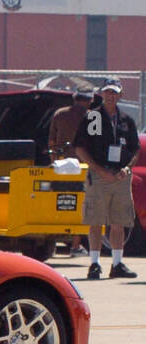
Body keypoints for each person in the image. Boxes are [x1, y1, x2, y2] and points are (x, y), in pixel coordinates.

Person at [74, 79, 139, 279]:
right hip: (99, 176)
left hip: (120, 176)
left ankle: (117, 264)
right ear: (102, 94)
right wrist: (98, 169)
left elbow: (135, 149)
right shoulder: (93, 117)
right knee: (96, 220)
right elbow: (80, 148)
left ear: (120, 95)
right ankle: (94, 264)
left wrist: (127, 169)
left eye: (115, 92)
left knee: (118, 222)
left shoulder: (126, 120)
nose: (111, 95)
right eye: (107, 92)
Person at [49, 88, 94, 257]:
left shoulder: (60, 114)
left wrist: (54, 161)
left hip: (61, 165)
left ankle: (51, 242)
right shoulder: (92, 116)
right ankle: (76, 246)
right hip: (82, 166)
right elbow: (95, 142)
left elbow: (51, 140)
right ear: (89, 100)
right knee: (80, 205)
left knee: (58, 203)